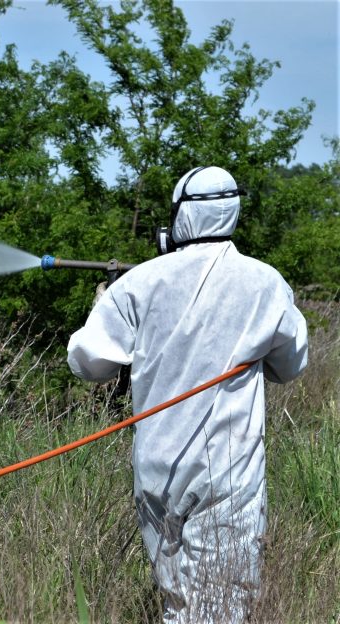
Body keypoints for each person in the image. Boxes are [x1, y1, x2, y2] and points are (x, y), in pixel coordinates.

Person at [66, 166, 308, 623]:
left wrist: (105, 304)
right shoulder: (265, 283)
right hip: (227, 471)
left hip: (156, 471)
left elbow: (87, 362)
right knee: (221, 604)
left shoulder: (140, 283)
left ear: (181, 217)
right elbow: (291, 366)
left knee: (177, 599)